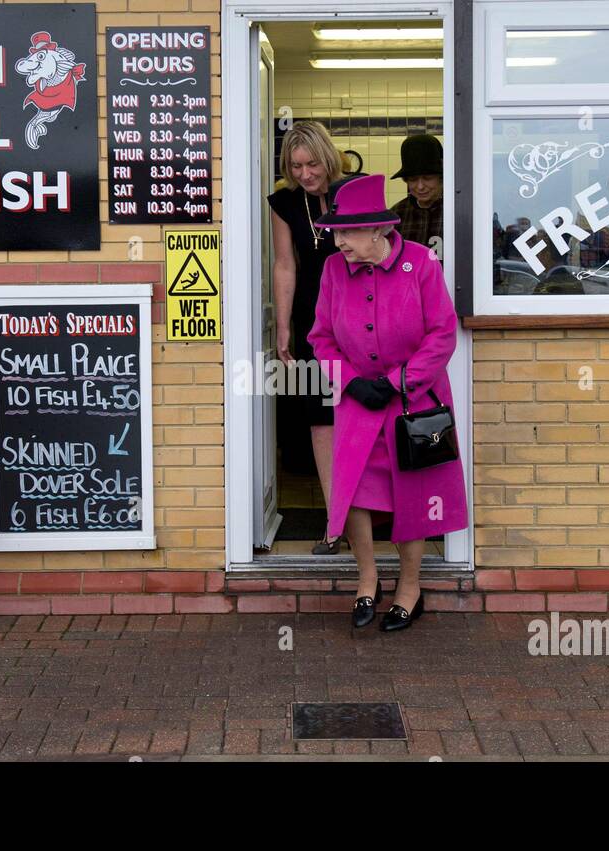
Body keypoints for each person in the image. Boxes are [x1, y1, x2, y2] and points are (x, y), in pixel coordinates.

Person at [308, 174, 468, 632]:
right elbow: (321, 337)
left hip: (414, 402)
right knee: (354, 491)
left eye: (348, 232)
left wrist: (401, 381)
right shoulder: (333, 270)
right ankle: (367, 580)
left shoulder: (420, 263)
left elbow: (442, 333)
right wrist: (350, 381)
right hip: (359, 402)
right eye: (335, 232)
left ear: (378, 229)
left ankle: (409, 589)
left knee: (411, 495)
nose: (339, 241)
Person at [266, 121, 348, 554]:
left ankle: (372, 515)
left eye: (312, 164)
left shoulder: (354, 190)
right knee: (321, 417)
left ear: (327, 157)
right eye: (296, 166)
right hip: (313, 322)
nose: (304, 174)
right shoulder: (284, 202)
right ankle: (336, 523)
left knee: (365, 414)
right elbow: (285, 264)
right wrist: (283, 327)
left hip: (360, 317)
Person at [391, 134, 444, 249]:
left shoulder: (456, 210)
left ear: (441, 178)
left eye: (428, 178)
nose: (420, 187)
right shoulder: (397, 213)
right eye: (413, 179)